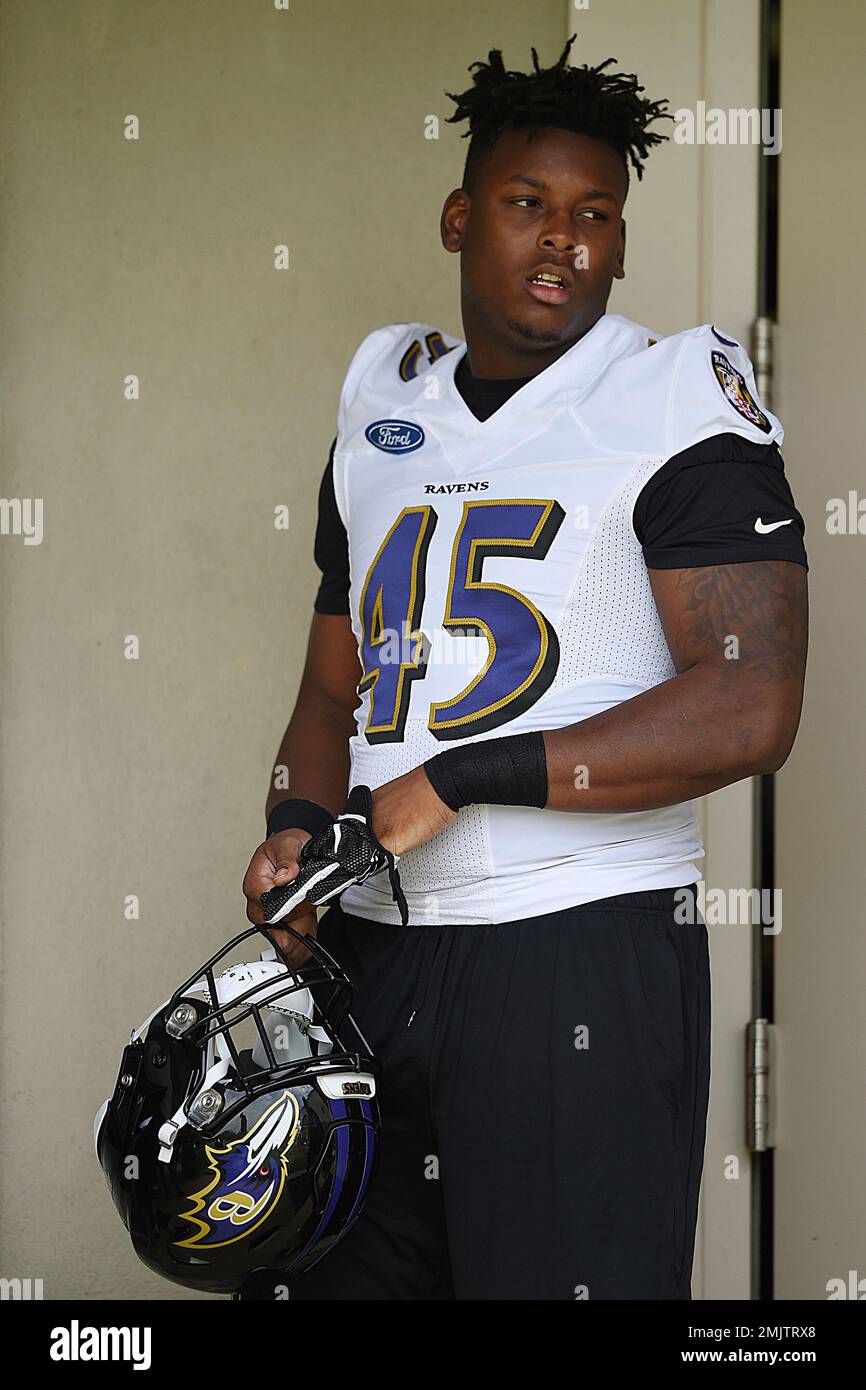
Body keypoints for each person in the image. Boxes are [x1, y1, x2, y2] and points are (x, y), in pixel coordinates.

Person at [240, 37, 808, 1300]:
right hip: (375, 946)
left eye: (594, 214)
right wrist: (293, 820)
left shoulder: (671, 394)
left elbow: (750, 702)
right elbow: (335, 683)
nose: (564, 241)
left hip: (577, 947)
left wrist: (463, 775)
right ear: (458, 218)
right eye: (528, 205)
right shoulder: (382, 401)